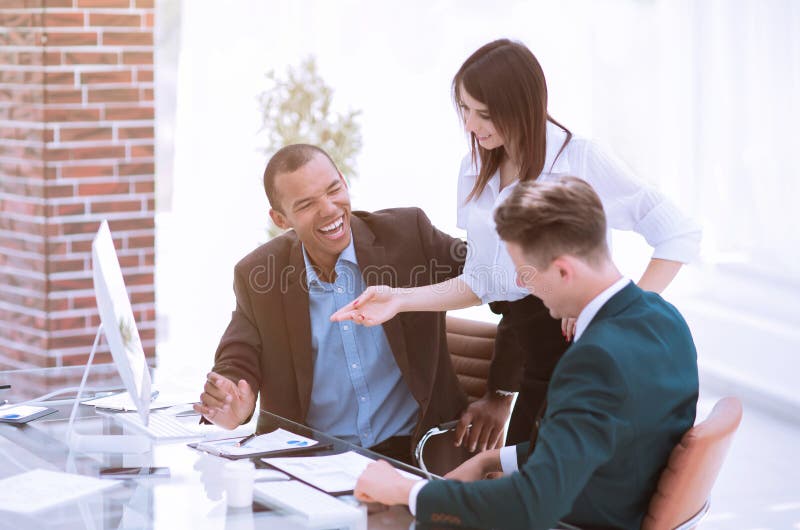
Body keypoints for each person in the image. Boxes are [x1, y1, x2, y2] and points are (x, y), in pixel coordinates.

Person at [332, 38, 702, 450]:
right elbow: (483, 282)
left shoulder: (578, 158)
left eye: (484, 114)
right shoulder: (475, 167)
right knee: (522, 478)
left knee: (546, 487)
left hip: (580, 346)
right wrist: (399, 299)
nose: (471, 126)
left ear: (522, 106)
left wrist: (612, 313)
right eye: (465, 110)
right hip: (534, 354)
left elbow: (677, 232)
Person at [353, 177, 700, 530]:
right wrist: (490, 460)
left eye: (524, 271)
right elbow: (601, 443)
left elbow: (532, 506)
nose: (520, 284)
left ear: (564, 270)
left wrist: (406, 490)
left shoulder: (595, 360)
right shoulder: (665, 319)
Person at [193, 144, 468, 465]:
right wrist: (233, 400)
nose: (329, 209)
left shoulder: (408, 235)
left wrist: (502, 393)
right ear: (281, 218)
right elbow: (239, 356)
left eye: (333, 189)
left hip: (416, 454)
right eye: (307, 204)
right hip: (313, 461)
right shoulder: (258, 272)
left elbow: (500, 277)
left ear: (343, 180)